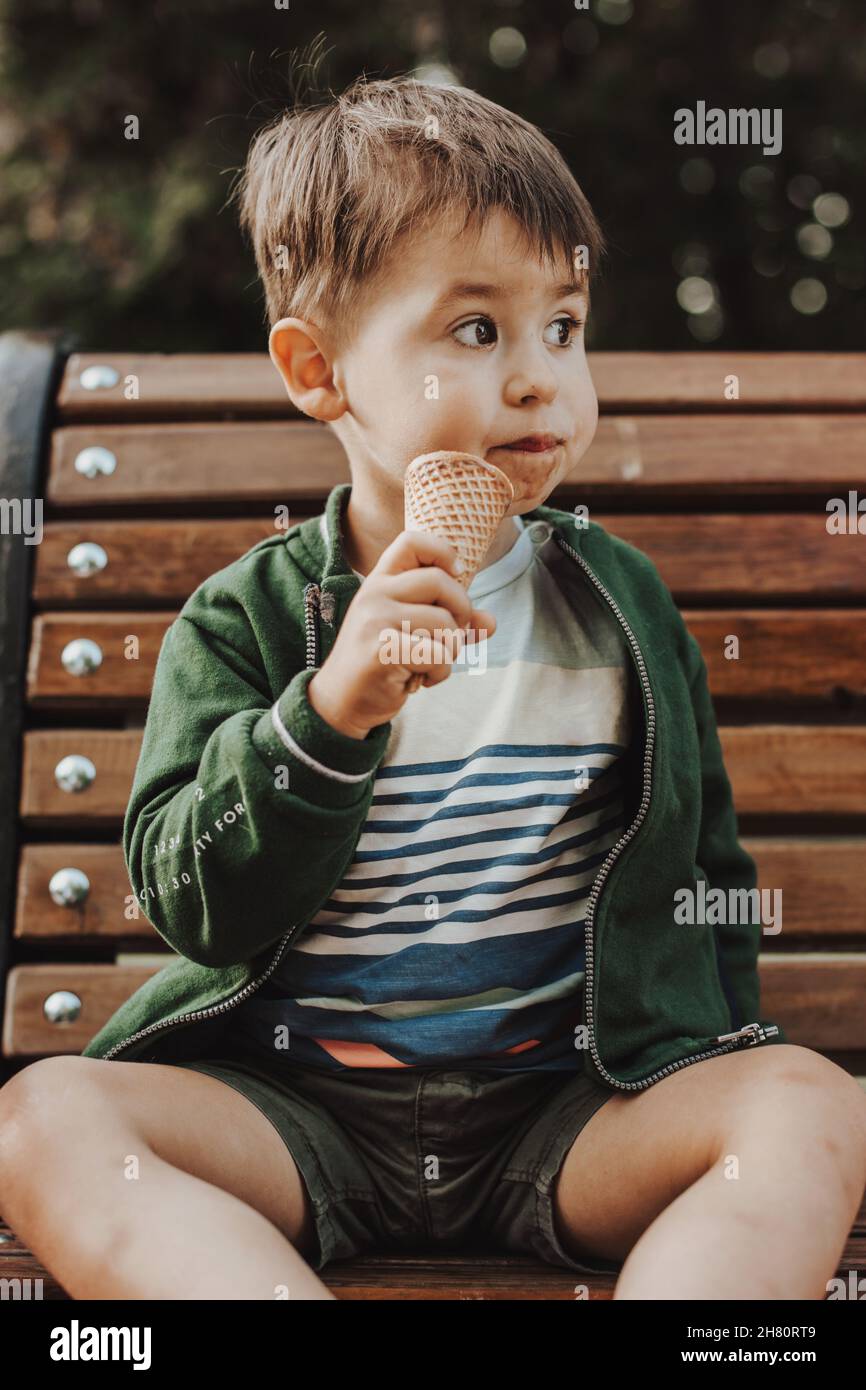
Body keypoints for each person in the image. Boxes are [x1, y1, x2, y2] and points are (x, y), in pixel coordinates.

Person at [1, 73, 864, 1302]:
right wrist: (325, 718)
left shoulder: (616, 603)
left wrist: (708, 1063)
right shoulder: (242, 621)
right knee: (41, 1119)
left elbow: (703, 870)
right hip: (296, 1115)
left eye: (562, 326)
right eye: (475, 329)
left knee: (809, 1104)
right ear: (319, 371)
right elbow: (192, 898)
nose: (536, 379)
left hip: (567, 1117)